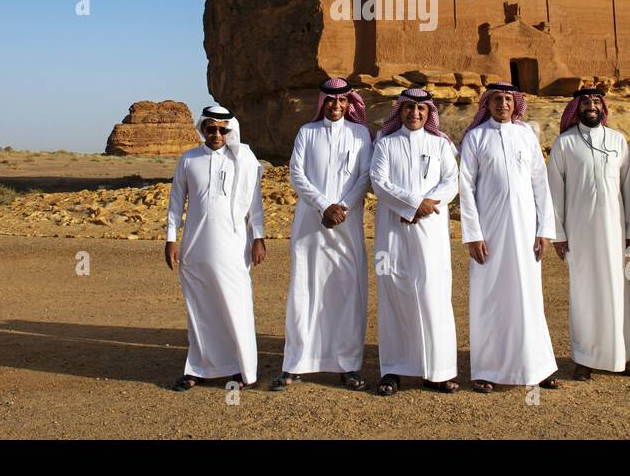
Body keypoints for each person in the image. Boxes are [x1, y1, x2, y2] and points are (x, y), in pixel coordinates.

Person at [272, 77, 374, 391]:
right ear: (323, 103)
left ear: (349, 103)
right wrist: (322, 206)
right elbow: (297, 174)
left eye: (342, 101)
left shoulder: (360, 135)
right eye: (331, 101)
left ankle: (347, 364)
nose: (336, 106)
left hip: (347, 223)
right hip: (310, 225)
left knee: (346, 292)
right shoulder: (307, 132)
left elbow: (365, 176)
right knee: (305, 289)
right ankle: (296, 363)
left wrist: (341, 207)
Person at [458, 82, 561, 393]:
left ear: (515, 103)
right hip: (489, 232)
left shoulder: (526, 135)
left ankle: (537, 367)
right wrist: (473, 234)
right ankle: (488, 370)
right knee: (490, 297)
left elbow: (540, 184)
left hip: (526, 231)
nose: (503, 104)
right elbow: (466, 188)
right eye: (497, 100)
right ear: (487, 104)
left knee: (528, 296)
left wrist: (544, 230)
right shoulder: (476, 137)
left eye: (507, 99)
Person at [164, 104, 266, 391]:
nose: (217, 134)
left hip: (234, 244)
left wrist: (258, 236)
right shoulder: (188, 159)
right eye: (211, 128)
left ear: (230, 130)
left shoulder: (243, 159)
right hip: (195, 245)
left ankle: (240, 369)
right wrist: (171, 238)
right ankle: (199, 368)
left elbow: (254, 202)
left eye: (223, 129)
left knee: (235, 304)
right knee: (200, 306)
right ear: (202, 129)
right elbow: (176, 203)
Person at [369, 87, 461, 396]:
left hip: (431, 230)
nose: (415, 113)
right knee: (395, 292)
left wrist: (426, 205)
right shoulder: (385, 144)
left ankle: (438, 371)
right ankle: (394, 369)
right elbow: (379, 182)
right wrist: (412, 204)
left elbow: (452, 181)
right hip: (392, 230)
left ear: (429, 112)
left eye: (422, 109)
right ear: (401, 110)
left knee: (433, 294)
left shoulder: (440, 145)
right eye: (409, 108)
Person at [548, 86, 630, 379]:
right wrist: (558, 233)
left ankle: (618, 357)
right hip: (579, 233)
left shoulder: (617, 141)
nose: (591, 106)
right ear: (577, 108)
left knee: (616, 291)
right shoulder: (564, 143)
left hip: (614, 231)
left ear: (602, 108)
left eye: (596, 102)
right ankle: (584, 359)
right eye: (586, 101)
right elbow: (554, 191)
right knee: (584, 293)